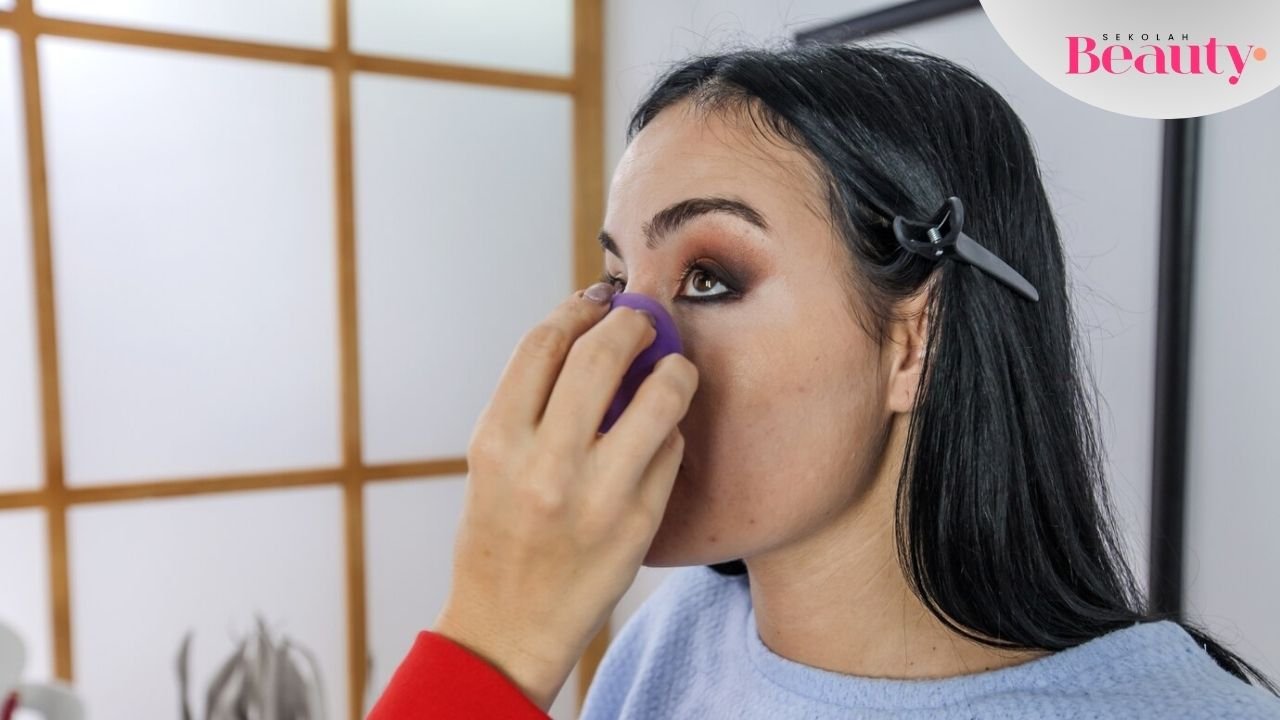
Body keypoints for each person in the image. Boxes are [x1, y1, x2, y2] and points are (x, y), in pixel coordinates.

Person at [368, 42, 1280, 718]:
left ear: (916, 341)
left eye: (709, 277)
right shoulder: (668, 642)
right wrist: (492, 643)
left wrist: (491, 646)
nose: (625, 342)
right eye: (618, 280)